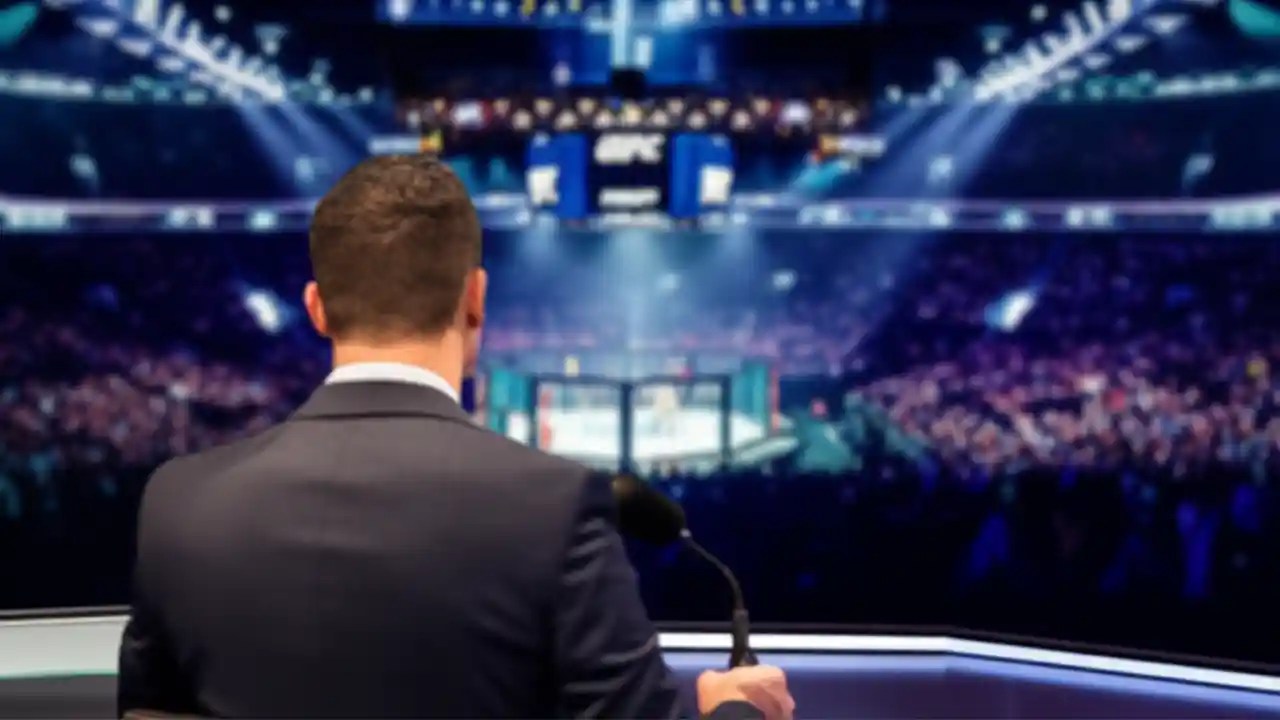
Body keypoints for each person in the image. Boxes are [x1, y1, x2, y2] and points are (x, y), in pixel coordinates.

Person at [117, 155, 796, 720]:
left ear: (318, 309)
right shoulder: (554, 508)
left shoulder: (178, 502)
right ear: (475, 299)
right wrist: (728, 705)